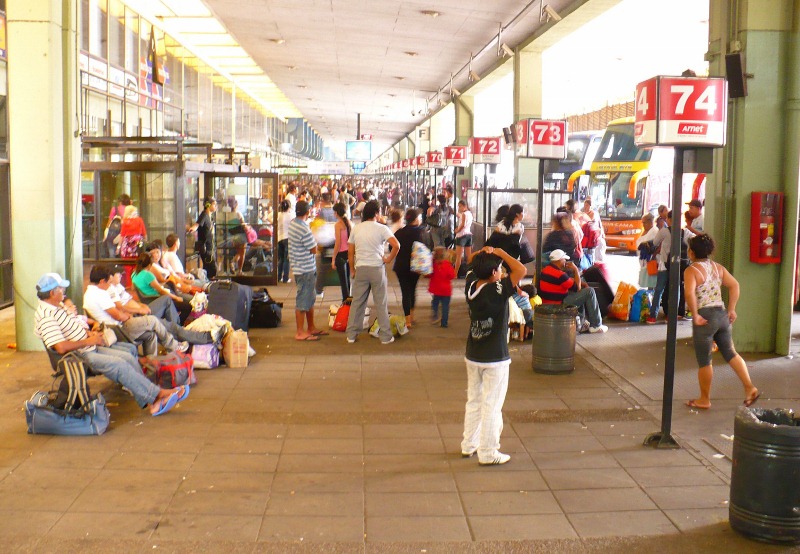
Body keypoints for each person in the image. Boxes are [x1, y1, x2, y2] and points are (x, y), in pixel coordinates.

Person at [33, 272, 189, 417]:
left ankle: (151, 400)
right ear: (52, 293)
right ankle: (157, 395)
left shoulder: (57, 306)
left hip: (88, 347)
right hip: (77, 356)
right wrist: (89, 340)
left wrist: (89, 334)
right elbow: (60, 347)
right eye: (61, 289)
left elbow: (73, 327)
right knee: (119, 365)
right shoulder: (46, 316)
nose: (63, 291)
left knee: (127, 357)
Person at [461, 246, 526, 466]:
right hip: (495, 357)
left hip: (474, 353)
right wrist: (499, 252)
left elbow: (471, 260)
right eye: (499, 269)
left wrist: (484, 253)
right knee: (492, 404)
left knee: (475, 401)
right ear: (493, 274)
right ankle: (488, 452)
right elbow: (521, 270)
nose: (502, 272)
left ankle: (469, 444)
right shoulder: (496, 290)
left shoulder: (471, 285)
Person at [684, 234, 759, 409]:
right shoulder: (718, 268)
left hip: (705, 317)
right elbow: (734, 285)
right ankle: (750, 388)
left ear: (692, 252)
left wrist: (695, 314)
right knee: (730, 353)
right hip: (721, 314)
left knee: (705, 360)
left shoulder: (692, 270)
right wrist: (731, 309)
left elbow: (689, 293)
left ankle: (704, 399)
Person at [83, 265, 200, 356]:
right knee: (153, 321)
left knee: (151, 335)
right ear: (102, 281)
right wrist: (129, 316)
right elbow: (117, 315)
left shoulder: (90, 293)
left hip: (118, 327)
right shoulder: (99, 294)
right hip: (119, 329)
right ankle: (174, 346)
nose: (109, 285)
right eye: (108, 282)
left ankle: (151, 367)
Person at [346, 200, 400, 344]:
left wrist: (352, 269)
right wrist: (388, 259)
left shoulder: (356, 228)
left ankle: (351, 334)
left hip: (361, 269)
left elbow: (350, 252)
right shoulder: (381, 229)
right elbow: (396, 245)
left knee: (357, 303)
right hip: (377, 269)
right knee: (381, 303)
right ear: (376, 213)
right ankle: (385, 336)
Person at [539, 249, 608, 333]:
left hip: (549, 302)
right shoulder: (560, 274)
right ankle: (596, 325)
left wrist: (581, 283)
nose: (565, 261)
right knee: (589, 291)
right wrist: (575, 270)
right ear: (559, 260)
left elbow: (567, 280)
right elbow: (577, 288)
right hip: (559, 304)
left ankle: (582, 322)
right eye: (564, 259)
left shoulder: (546, 270)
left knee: (582, 292)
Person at [288, 200, 327, 341]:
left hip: (300, 267)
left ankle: (311, 327)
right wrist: (317, 236)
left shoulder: (293, 224)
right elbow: (313, 249)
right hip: (305, 269)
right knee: (303, 300)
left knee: (309, 299)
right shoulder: (303, 228)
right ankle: (300, 332)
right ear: (307, 212)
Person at [392, 208, 431, 329]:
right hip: (416, 266)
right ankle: (412, 316)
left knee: (405, 292)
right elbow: (430, 246)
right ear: (415, 219)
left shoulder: (399, 232)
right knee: (413, 290)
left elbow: (391, 247)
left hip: (401, 266)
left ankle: (407, 319)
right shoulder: (422, 232)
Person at [189, 197, 217, 279]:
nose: (216, 206)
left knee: (209, 268)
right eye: (214, 204)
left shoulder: (209, 216)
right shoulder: (204, 215)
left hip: (210, 247)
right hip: (206, 248)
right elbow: (197, 225)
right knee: (211, 268)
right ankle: (210, 286)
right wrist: (192, 228)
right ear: (208, 205)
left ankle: (208, 284)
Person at [429, 247, 456, 328]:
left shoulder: (433, 265)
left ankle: (435, 315)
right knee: (445, 307)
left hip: (436, 289)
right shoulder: (448, 265)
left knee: (435, 303)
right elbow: (452, 275)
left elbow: (429, 274)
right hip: (446, 290)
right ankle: (444, 323)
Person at [331, 202, 352, 302]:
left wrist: (333, 258)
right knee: (347, 280)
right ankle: (349, 300)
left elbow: (338, 243)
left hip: (341, 255)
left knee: (343, 282)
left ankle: (346, 302)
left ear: (336, 213)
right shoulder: (349, 222)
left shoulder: (338, 225)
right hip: (349, 254)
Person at [454, 200, 473, 277]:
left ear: (465, 206)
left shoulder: (464, 214)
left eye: (460, 206)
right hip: (469, 235)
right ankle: (470, 273)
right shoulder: (470, 213)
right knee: (469, 256)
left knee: (458, 256)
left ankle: (455, 273)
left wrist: (457, 230)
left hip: (461, 235)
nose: (459, 208)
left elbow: (463, 224)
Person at [277, 199, 292, 283]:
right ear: (289, 207)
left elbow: (268, 217)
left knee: (281, 259)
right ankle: (285, 278)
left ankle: (279, 277)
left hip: (279, 238)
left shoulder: (278, 215)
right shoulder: (290, 215)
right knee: (287, 259)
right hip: (287, 238)